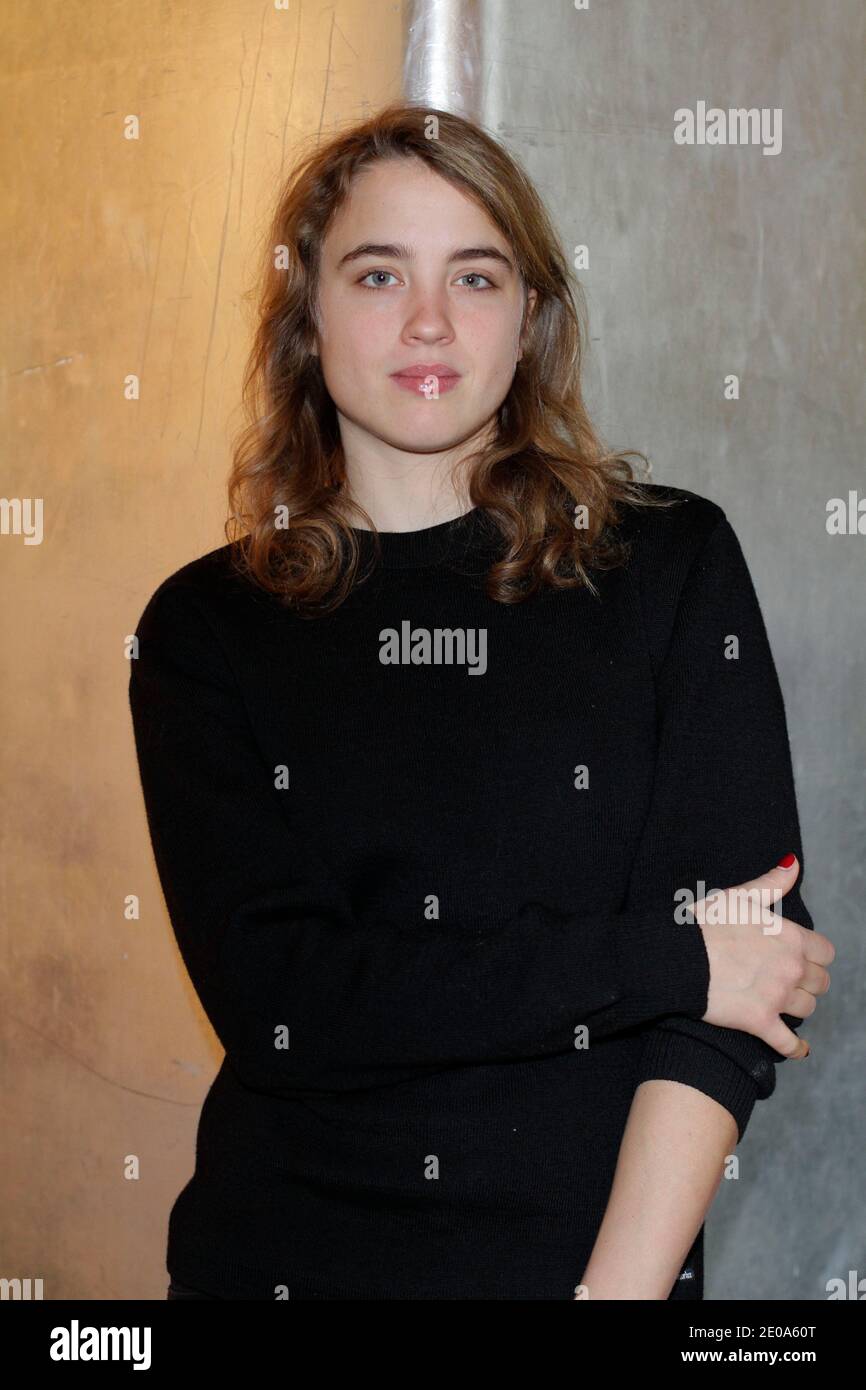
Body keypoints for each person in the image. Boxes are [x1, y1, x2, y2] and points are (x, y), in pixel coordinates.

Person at [129, 104, 835, 1301]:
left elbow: (738, 993)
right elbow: (289, 1004)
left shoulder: (666, 567)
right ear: (306, 316)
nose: (426, 321)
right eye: (375, 273)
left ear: (530, 317)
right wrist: (665, 956)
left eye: (474, 273)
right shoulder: (206, 629)